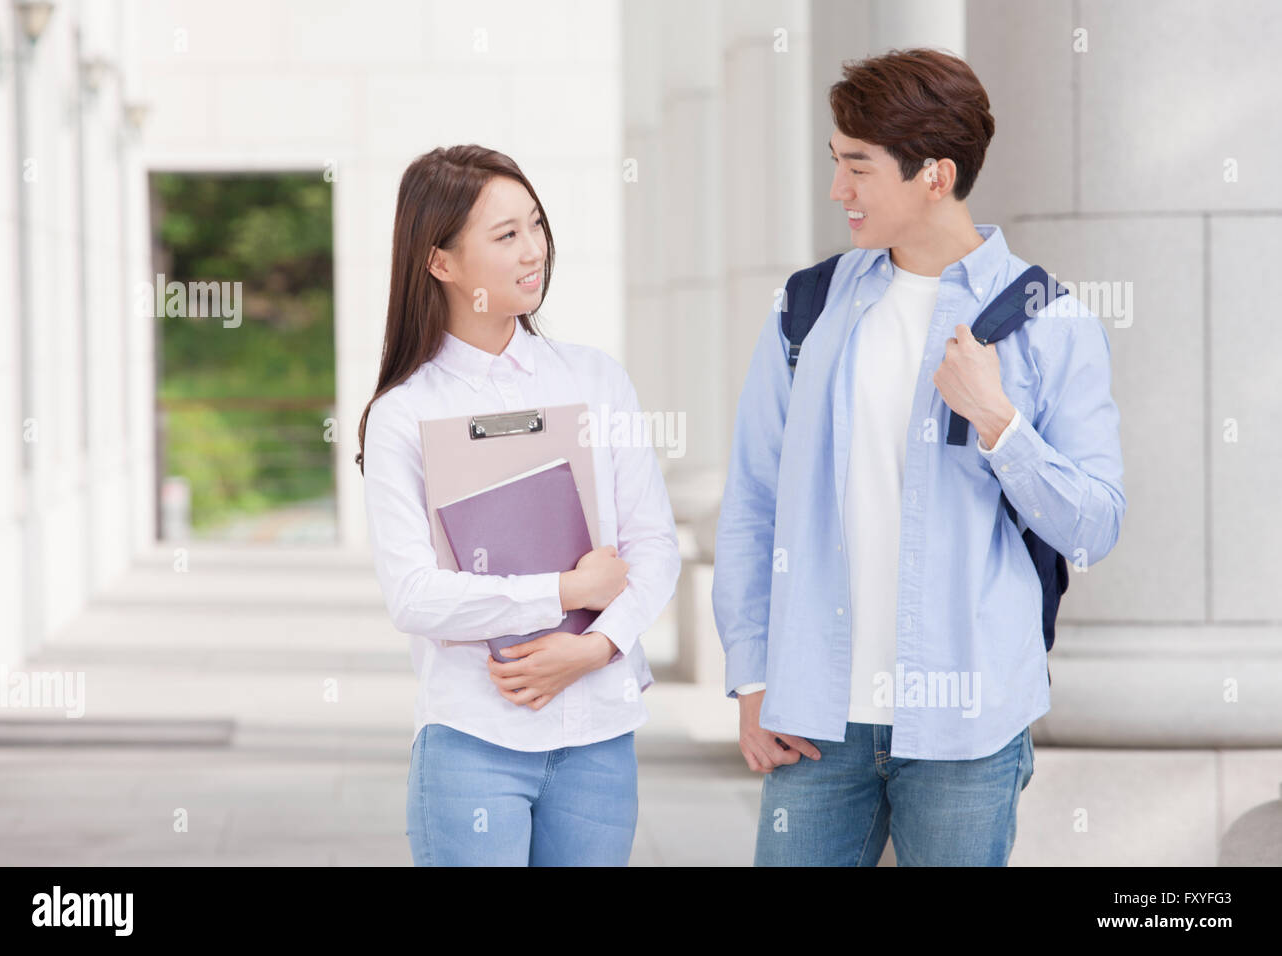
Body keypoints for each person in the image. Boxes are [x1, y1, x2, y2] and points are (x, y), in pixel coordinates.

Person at [712, 48, 1126, 866]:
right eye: (837, 163)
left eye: (858, 168)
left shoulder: (1050, 321)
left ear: (935, 175)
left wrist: (1001, 423)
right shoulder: (807, 308)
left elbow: (1097, 525)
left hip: (967, 730)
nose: (839, 190)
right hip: (815, 719)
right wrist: (753, 675)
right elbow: (754, 500)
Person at [357, 144, 681, 866]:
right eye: (506, 236)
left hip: (598, 738)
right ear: (440, 262)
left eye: (535, 225)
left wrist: (594, 646)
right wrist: (563, 593)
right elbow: (413, 597)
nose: (534, 250)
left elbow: (654, 545)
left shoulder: (596, 380)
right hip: (474, 739)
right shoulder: (405, 415)